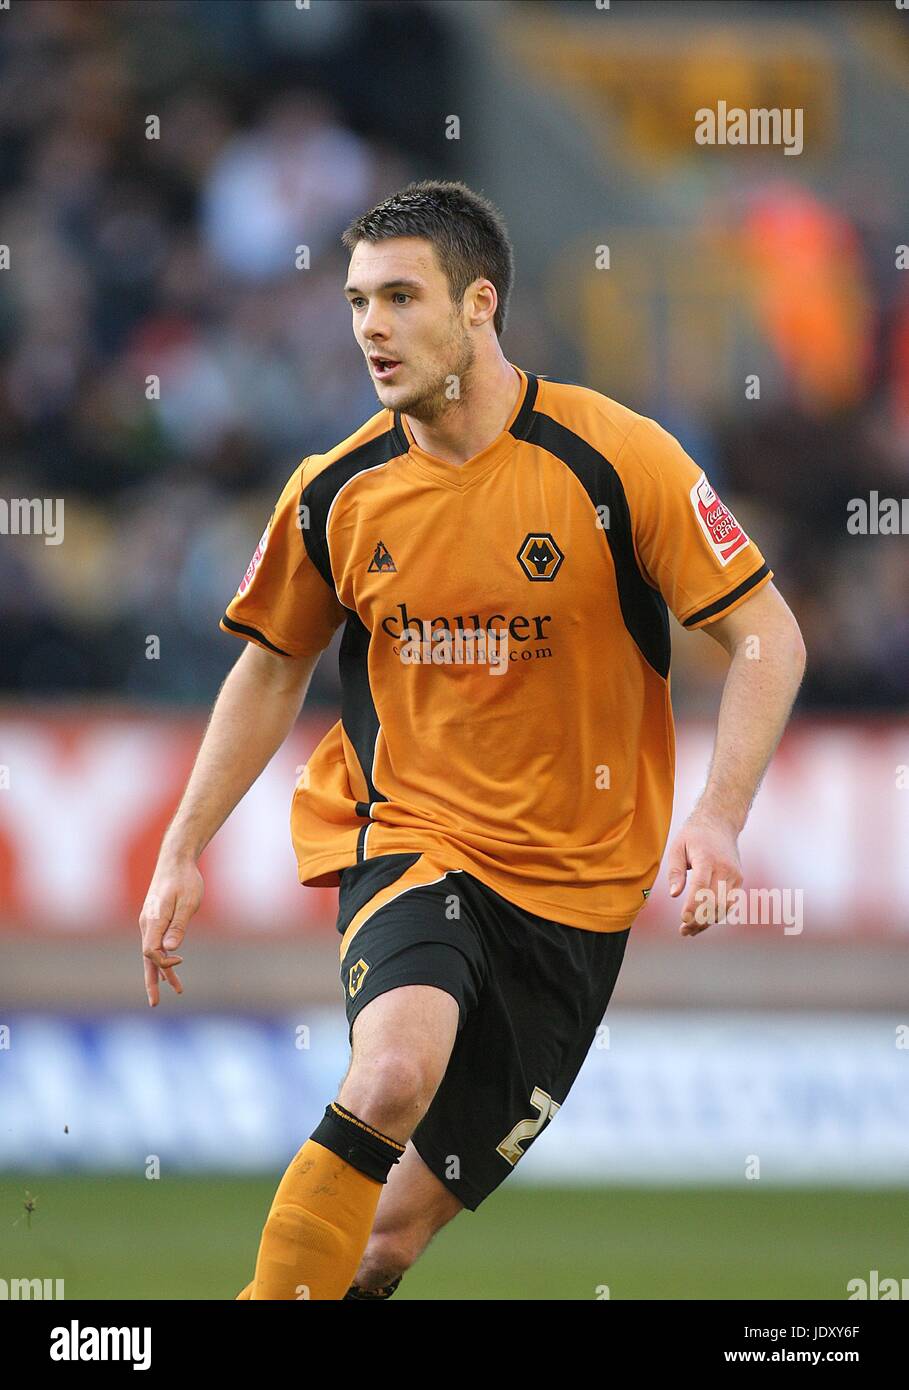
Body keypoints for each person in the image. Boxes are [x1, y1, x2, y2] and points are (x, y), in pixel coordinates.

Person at [138, 180, 806, 1301]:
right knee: (391, 1073)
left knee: (382, 1246)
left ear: (479, 305)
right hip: (413, 839)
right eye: (357, 301)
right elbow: (270, 665)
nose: (370, 328)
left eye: (401, 296)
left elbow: (768, 637)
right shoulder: (336, 492)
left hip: (581, 897)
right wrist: (182, 845)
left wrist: (720, 814)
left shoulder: (615, 459)